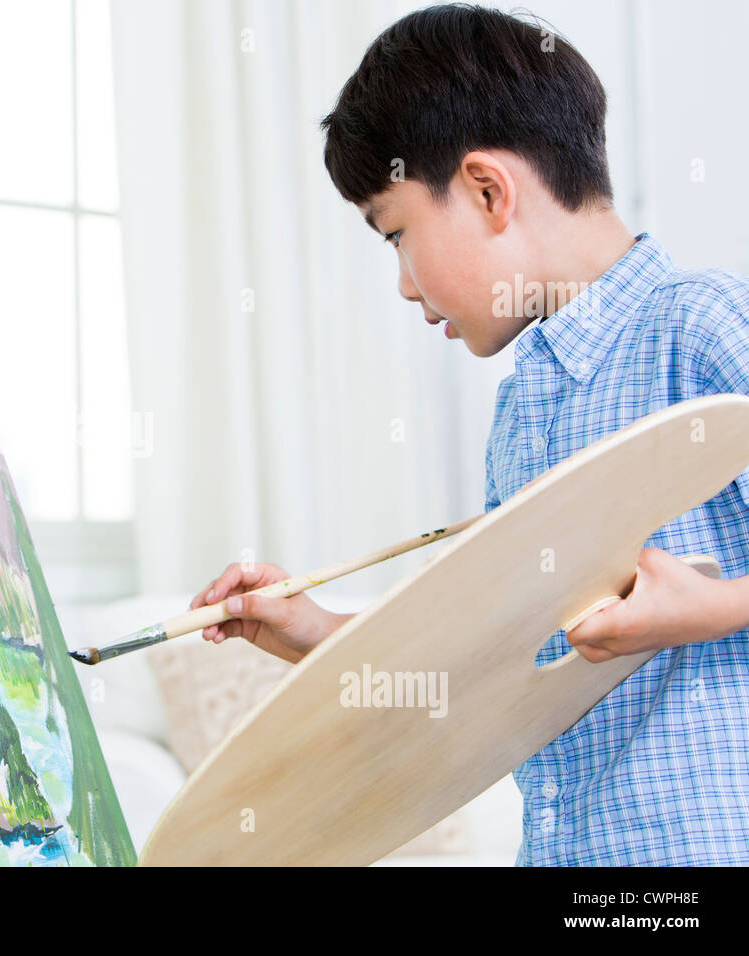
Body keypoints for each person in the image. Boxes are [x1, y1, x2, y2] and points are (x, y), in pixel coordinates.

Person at [189, 3, 749, 865]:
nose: (408, 286)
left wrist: (708, 609)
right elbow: (489, 664)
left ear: (489, 191)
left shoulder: (705, 325)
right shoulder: (524, 414)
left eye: (398, 235)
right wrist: (314, 628)